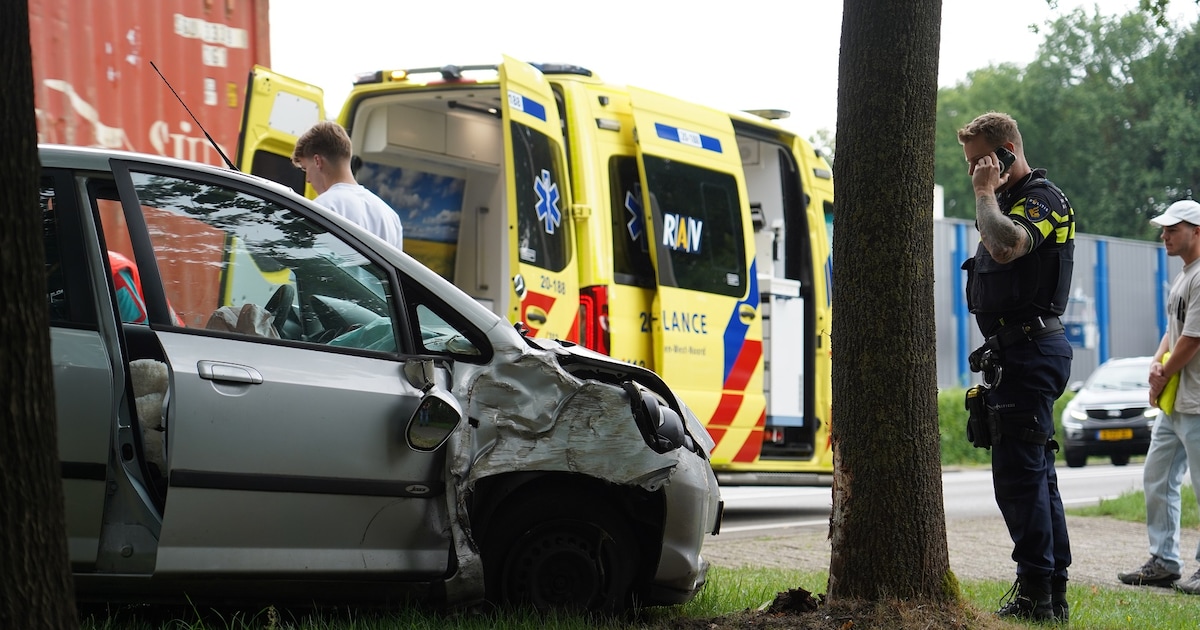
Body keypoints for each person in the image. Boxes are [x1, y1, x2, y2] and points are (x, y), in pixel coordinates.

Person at [957, 111, 1076, 622]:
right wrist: (989, 195)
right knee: (1035, 477)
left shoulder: (1044, 200)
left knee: (1020, 479)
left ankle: (1036, 595)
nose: (974, 173)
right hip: (1015, 355)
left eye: (979, 161)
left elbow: (1007, 246)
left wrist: (985, 194)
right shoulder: (1006, 203)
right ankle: (1049, 593)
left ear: (1006, 150)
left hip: (1033, 353)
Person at [1117, 199, 1200, 595]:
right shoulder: (1184, 276)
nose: (1164, 235)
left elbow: (1194, 339)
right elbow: (1174, 330)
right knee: (1158, 476)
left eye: (1173, 229)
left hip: (1197, 401)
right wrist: (1155, 363)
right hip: (1176, 401)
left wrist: (1162, 374)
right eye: (1163, 229)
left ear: (1197, 231)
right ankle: (1164, 562)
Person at [291, 121, 404, 250]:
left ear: (317, 161)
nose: (308, 180)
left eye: (306, 169)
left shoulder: (323, 207)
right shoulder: (391, 217)